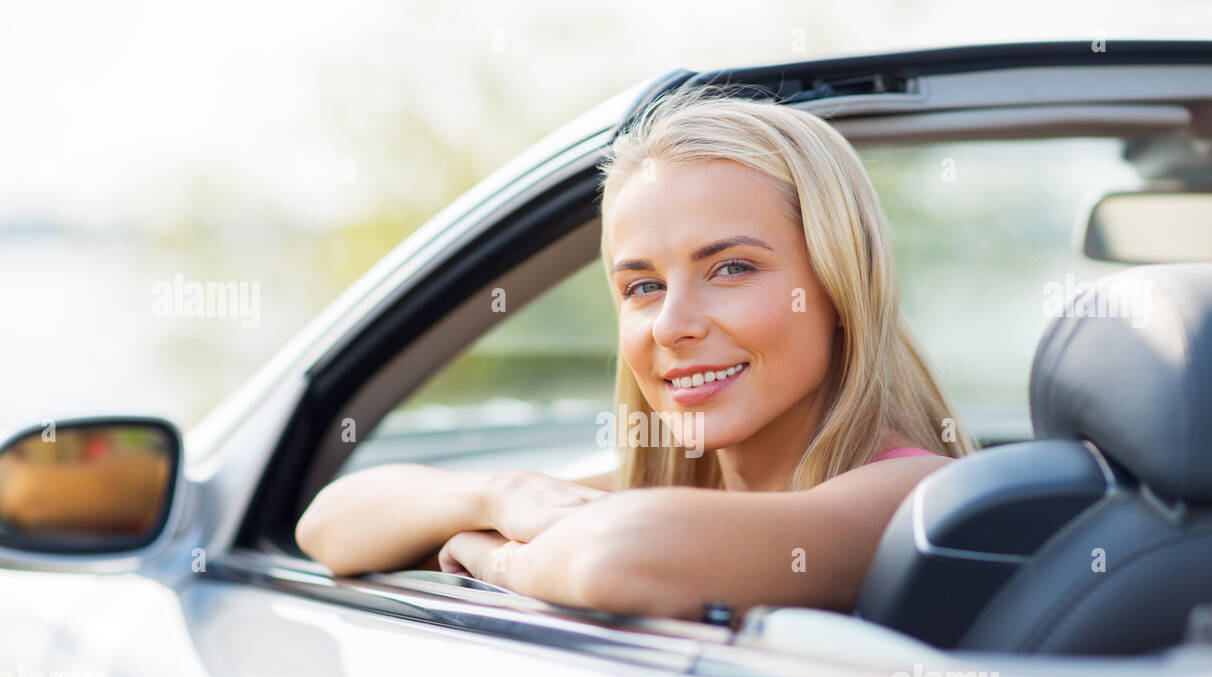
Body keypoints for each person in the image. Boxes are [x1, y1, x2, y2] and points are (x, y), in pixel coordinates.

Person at [296, 85, 977, 621]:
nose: (671, 326)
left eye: (731, 268)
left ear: (838, 286)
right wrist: (504, 494)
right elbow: (329, 524)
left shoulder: (915, 493)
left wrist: (489, 558)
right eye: (643, 285)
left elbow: (621, 558)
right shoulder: (674, 486)